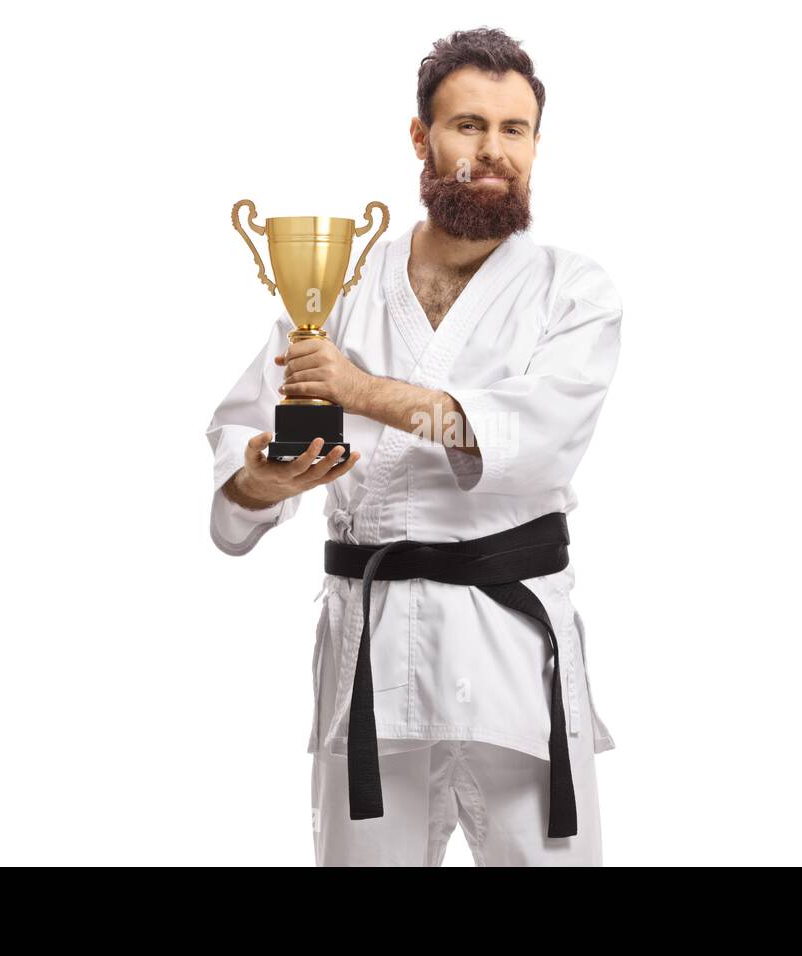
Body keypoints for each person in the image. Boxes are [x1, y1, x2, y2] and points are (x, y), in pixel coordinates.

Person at [205, 27, 623, 866]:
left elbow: (533, 445)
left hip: (510, 653)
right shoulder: (341, 286)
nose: (493, 150)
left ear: (537, 143)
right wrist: (259, 482)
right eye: (468, 124)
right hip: (370, 652)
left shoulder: (573, 292)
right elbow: (237, 453)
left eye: (515, 130)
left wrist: (358, 393)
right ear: (420, 136)